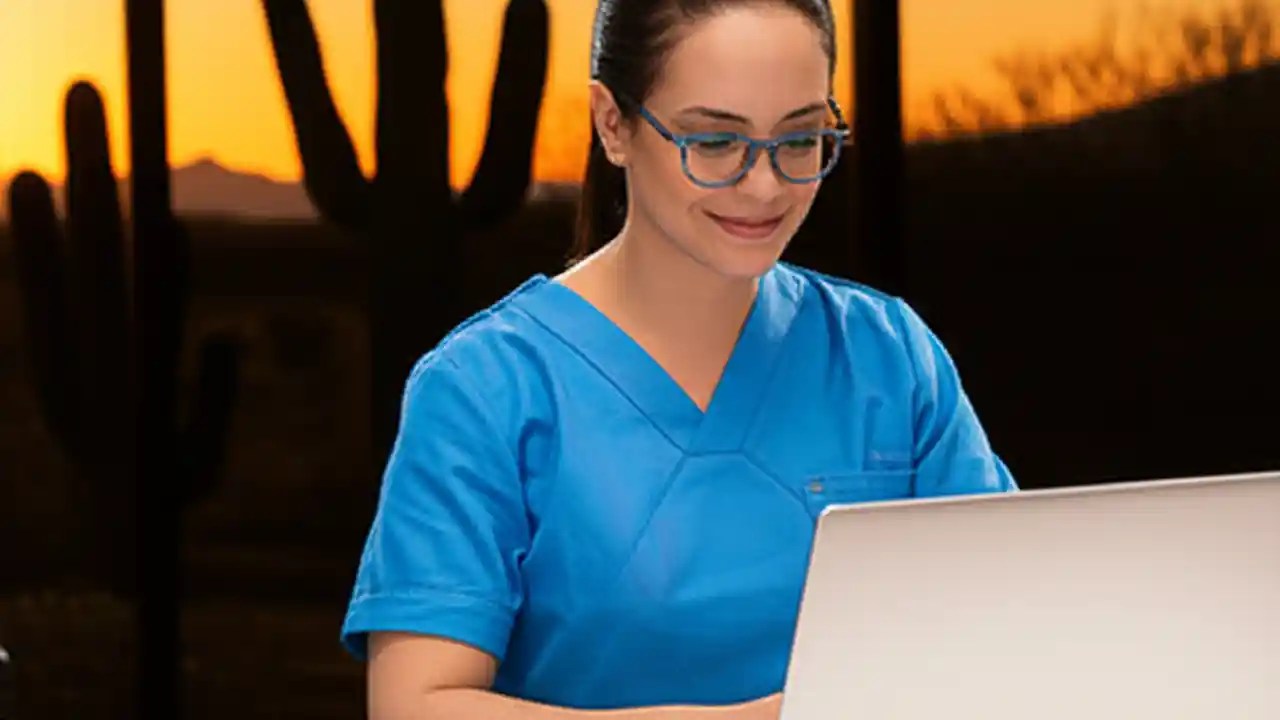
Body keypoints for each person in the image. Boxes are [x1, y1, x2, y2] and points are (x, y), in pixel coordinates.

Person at [340, 0, 1017, 717]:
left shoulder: (887, 356)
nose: (765, 186)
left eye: (801, 140)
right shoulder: (486, 388)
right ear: (612, 124)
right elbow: (418, 704)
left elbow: (1007, 619)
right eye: (715, 143)